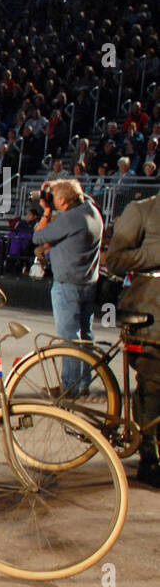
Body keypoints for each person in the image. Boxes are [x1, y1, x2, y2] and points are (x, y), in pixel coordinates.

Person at [103, 190, 160, 486]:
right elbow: (115, 260)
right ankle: (149, 455)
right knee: (153, 382)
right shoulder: (142, 210)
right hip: (149, 307)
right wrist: (154, 254)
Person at [32, 178, 103, 392]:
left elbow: (37, 236)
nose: (51, 201)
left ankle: (69, 387)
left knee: (69, 338)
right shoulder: (91, 210)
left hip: (67, 284)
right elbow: (80, 196)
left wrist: (45, 212)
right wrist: (59, 185)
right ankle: (83, 384)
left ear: (62, 200)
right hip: (89, 281)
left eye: (54, 198)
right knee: (85, 335)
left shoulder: (70, 219)